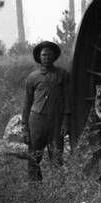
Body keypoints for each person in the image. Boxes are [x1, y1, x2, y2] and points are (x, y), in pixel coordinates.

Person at [22, 40, 71, 181]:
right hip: (36, 121)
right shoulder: (32, 77)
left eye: (49, 55)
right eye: (44, 55)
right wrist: (25, 127)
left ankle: (56, 192)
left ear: (54, 56)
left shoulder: (63, 74)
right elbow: (27, 103)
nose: (47, 57)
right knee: (33, 157)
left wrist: (66, 122)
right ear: (39, 57)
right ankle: (35, 189)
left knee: (56, 158)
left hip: (56, 121)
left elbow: (68, 100)